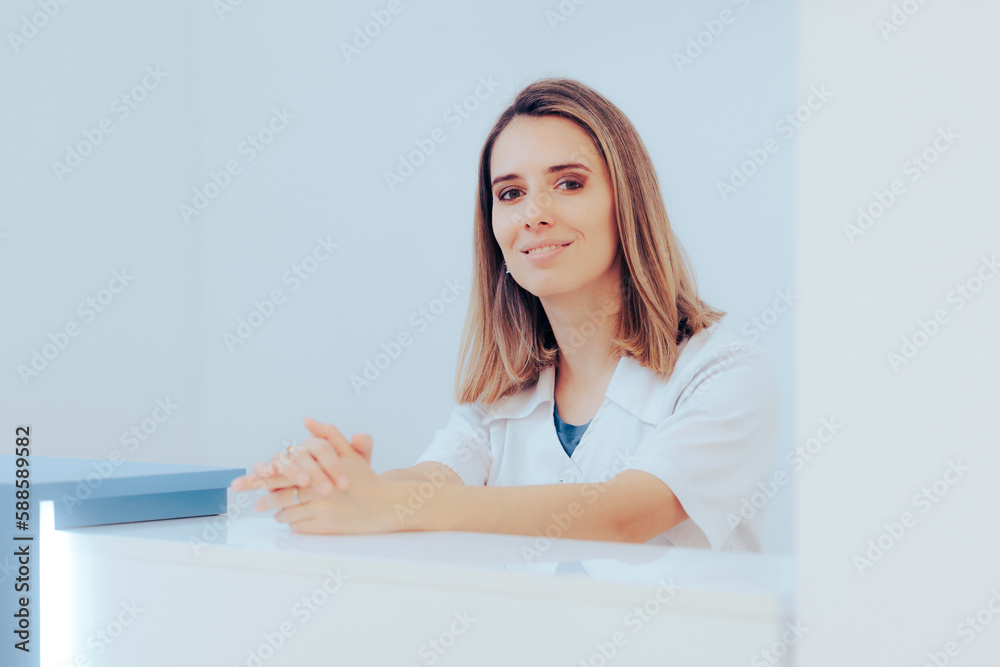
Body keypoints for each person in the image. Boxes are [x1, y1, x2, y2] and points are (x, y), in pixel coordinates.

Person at [231, 77, 780, 550]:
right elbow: (435, 481)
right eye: (511, 193)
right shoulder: (502, 396)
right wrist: (340, 485)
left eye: (569, 183)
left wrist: (389, 507)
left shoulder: (722, 374)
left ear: (627, 201)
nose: (534, 215)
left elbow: (625, 515)